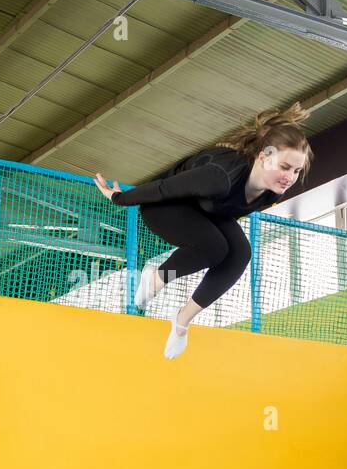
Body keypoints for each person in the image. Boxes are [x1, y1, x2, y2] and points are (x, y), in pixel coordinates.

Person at [93, 103, 313, 358]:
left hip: (206, 209)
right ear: (264, 157)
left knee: (240, 252)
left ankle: (182, 322)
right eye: (285, 167)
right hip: (164, 206)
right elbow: (165, 188)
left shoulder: (270, 193)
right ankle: (157, 278)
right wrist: (119, 198)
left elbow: (225, 214)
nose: (290, 177)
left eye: (296, 170)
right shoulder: (220, 176)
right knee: (215, 247)